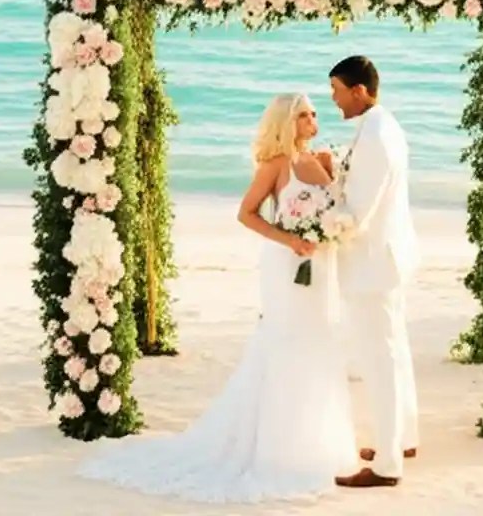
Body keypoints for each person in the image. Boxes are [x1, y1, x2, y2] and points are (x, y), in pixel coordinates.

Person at [77, 92, 358, 503]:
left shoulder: (325, 160)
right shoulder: (276, 165)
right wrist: (291, 240)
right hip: (287, 266)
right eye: (303, 114)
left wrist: (333, 222)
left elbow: (339, 207)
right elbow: (247, 213)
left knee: (320, 344)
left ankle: (319, 443)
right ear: (286, 122)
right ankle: (279, 451)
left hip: (322, 268)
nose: (313, 119)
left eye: (315, 113)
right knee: (287, 346)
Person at [327, 55, 421, 488]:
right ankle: (401, 440)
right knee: (393, 351)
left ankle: (387, 464)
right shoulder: (381, 126)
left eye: (338, 91)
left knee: (379, 359)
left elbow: (357, 212)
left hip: (373, 264)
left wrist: (324, 218)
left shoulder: (376, 137)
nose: (334, 100)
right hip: (386, 258)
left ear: (359, 91)